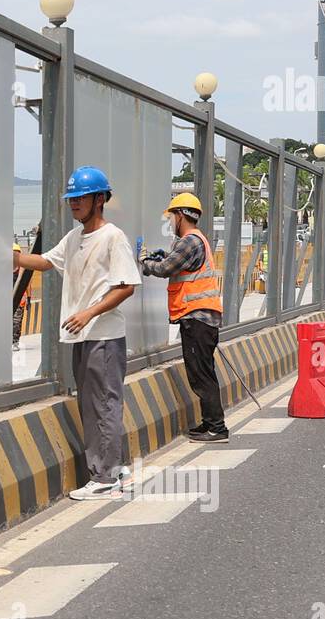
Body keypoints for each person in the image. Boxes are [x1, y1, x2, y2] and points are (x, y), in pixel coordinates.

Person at [13, 167, 140, 498]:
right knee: (92, 404)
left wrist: (88, 313)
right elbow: (44, 262)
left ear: (100, 199)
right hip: (83, 336)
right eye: (71, 199)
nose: (74, 205)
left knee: (103, 405)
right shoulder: (74, 239)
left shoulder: (113, 237)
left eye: (80, 198)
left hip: (104, 336)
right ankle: (116, 469)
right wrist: (13, 258)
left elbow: (126, 286)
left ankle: (105, 478)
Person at [141, 194, 228, 442]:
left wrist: (145, 261)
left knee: (200, 375)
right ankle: (209, 422)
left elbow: (165, 269)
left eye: (171, 216)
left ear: (180, 215)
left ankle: (217, 428)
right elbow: (176, 263)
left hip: (197, 318)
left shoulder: (189, 241)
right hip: (202, 318)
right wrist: (164, 255)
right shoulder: (196, 240)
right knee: (203, 372)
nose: (170, 221)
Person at [12, 243, 28, 350]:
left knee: (17, 320)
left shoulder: (22, 268)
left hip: (19, 297)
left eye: (17, 253)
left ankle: (15, 341)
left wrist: (28, 297)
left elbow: (27, 283)